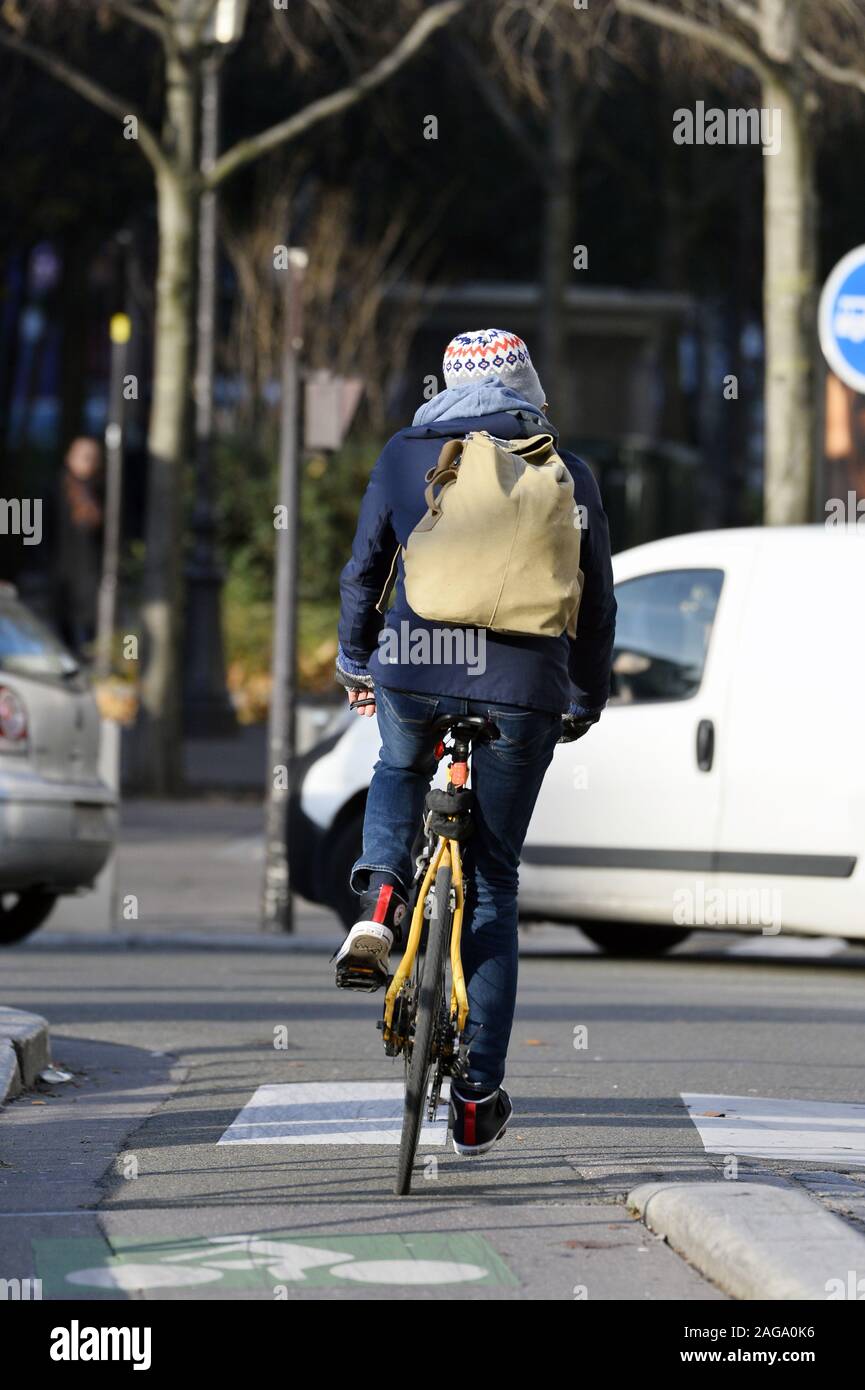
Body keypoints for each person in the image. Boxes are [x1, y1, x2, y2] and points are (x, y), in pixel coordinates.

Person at [334, 329, 616, 1156]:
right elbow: (595, 605)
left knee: (395, 763)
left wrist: (359, 662)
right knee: (491, 882)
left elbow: (365, 572)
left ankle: (380, 902)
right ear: (528, 383)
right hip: (525, 685)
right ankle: (474, 1097)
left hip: (418, 663)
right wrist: (583, 698)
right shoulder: (570, 472)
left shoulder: (405, 454)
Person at [56, 436, 104, 658]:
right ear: (70, 458)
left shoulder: (103, 491)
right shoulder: (56, 490)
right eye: (84, 457)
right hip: (62, 568)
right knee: (64, 622)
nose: (89, 463)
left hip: (91, 569)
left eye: (93, 458)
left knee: (90, 622)